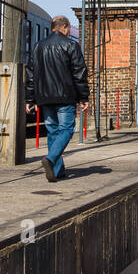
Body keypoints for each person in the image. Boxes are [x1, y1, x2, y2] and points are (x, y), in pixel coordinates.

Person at [26, 15, 90, 183]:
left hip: (44, 98)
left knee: (53, 132)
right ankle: (51, 158)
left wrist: (30, 99)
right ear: (65, 27)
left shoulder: (38, 46)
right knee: (67, 129)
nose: (69, 32)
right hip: (64, 97)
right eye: (69, 29)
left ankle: (57, 171)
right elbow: (79, 72)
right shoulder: (70, 45)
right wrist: (83, 97)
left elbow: (31, 75)